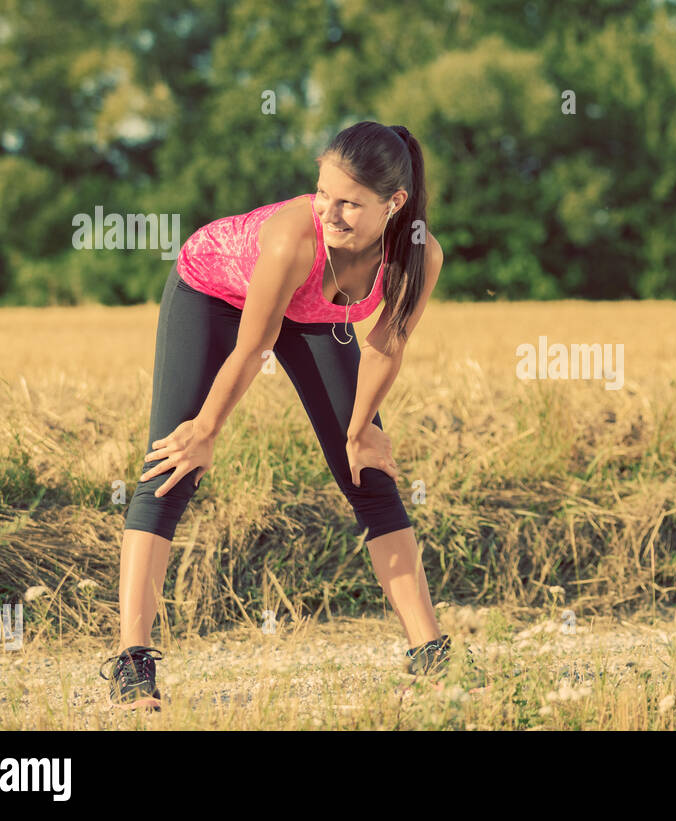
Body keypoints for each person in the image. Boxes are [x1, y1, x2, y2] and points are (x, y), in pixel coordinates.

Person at [100, 122, 456, 710]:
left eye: (349, 203)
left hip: (312, 311)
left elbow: (386, 345)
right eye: (322, 193)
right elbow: (254, 344)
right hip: (215, 294)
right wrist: (205, 430)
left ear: (394, 205)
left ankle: (431, 656)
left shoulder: (420, 254)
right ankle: (132, 667)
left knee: (368, 474)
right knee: (173, 462)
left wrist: (363, 428)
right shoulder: (297, 237)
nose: (330, 211)